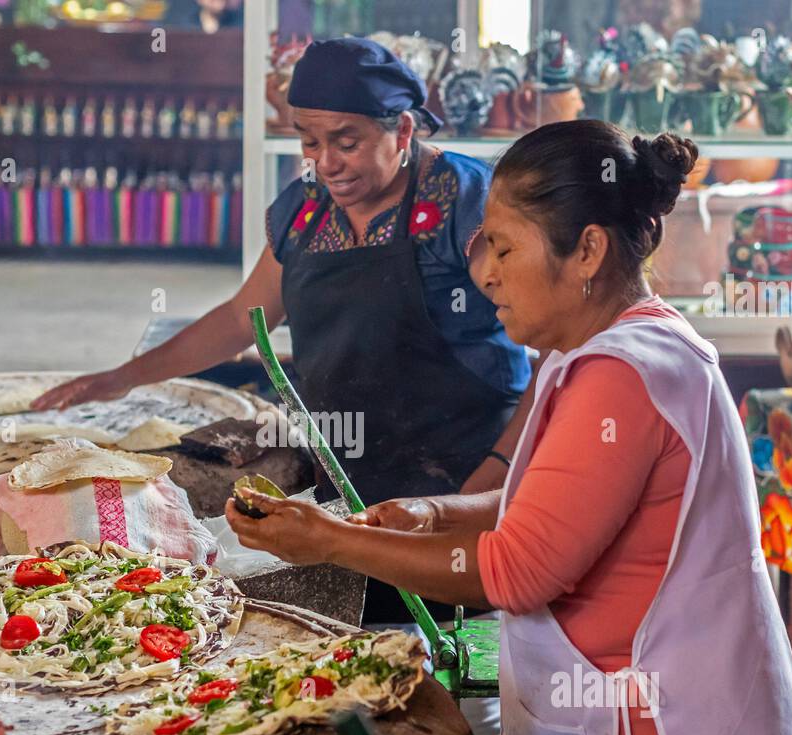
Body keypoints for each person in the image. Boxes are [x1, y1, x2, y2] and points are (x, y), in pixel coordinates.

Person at [223, 120, 792, 735]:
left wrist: (330, 541)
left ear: (589, 253)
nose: (486, 274)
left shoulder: (620, 377)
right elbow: (542, 504)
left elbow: (516, 569)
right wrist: (434, 512)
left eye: (505, 247)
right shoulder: (615, 349)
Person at [34, 37, 532, 508]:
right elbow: (240, 320)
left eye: (346, 142)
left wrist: (500, 464)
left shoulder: (463, 202)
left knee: (450, 601)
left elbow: (555, 336)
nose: (326, 163)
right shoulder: (305, 210)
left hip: (466, 470)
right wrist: (125, 377)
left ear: (402, 130)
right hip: (349, 465)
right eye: (310, 141)